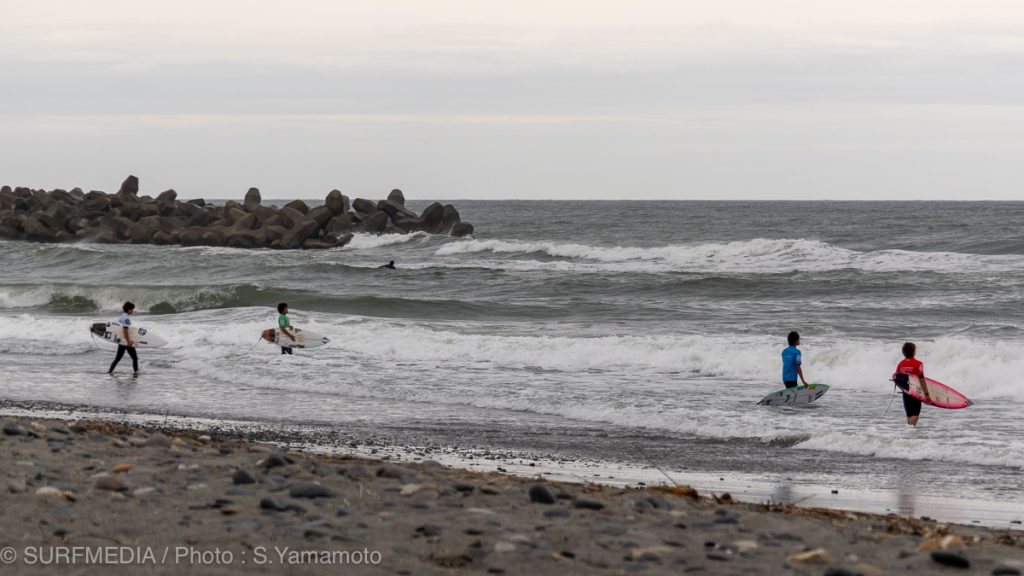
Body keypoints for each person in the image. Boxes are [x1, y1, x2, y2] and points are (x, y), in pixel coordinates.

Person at [894, 342, 931, 426]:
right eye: (915, 350)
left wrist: (903, 389)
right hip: (916, 392)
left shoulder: (901, 364)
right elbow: (921, 380)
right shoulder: (918, 364)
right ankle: (911, 432)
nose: (916, 351)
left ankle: (908, 433)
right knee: (915, 415)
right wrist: (926, 394)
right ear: (913, 352)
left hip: (906, 391)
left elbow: (896, 378)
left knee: (909, 414)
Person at [108, 301, 139, 375]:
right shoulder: (126, 318)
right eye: (132, 309)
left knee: (118, 358)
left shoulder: (122, 316)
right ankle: (136, 373)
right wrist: (128, 342)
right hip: (125, 341)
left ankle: (110, 372)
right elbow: (125, 331)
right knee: (135, 358)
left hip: (122, 340)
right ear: (128, 309)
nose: (132, 311)